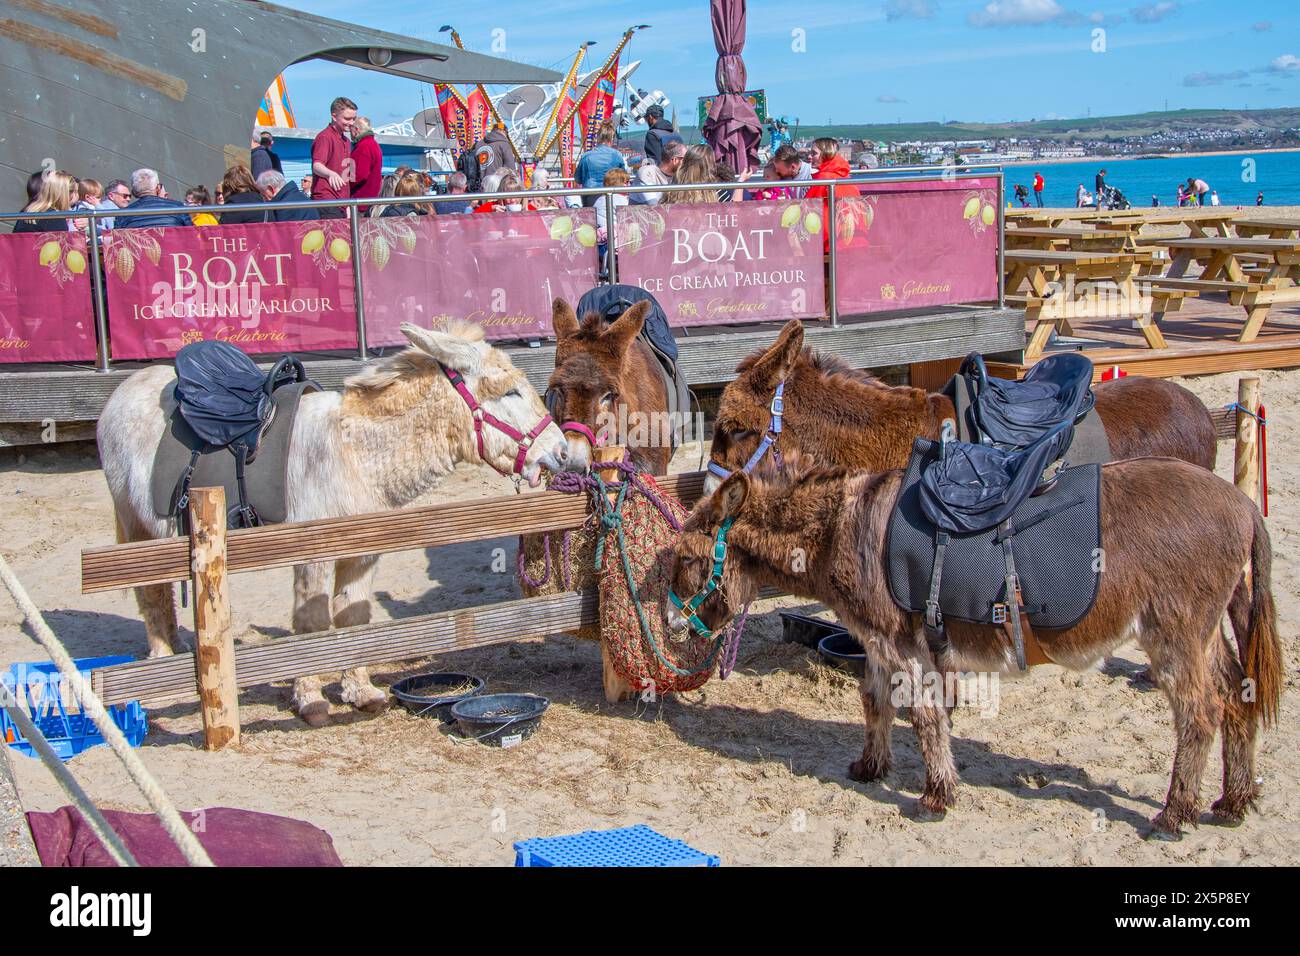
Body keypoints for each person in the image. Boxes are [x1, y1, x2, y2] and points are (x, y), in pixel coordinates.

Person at [805, 137, 860, 252]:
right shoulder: (844, 176)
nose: (809, 157)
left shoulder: (824, 178)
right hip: (853, 238)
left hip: (831, 244)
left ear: (826, 154)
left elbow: (808, 207)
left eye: (814, 153)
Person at [310, 95, 357, 218]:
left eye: (354, 118)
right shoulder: (325, 137)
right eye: (347, 118)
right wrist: (331, 174)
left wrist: (347, 204)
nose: (351, 123)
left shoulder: (346, 141)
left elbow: (347, 173)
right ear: (334, 116)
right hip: (327, 201)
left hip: (341, 202)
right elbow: (316, 165)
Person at [116, 168, 192, 229]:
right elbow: (192, 235)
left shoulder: (123, 214)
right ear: (158, 188)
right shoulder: (177, 207)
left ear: (133, 192)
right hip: (174, 248)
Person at [574, 122, 627, 207]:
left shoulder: (586, 156)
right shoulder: (617, 155)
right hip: (613, 196)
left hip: (590, 198)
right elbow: (624, 177)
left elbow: (578, 179)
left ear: (598, 138)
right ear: (612, 138)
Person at [11, 169, 76, 233]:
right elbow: (62, 242)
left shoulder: (28, 211)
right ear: (65, 194)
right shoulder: (54, 218)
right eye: (74, 191)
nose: (74, 196)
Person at [630, 139, 685, 205]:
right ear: (675, 160)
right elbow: (654, 206)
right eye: (686, 159)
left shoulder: (680, 176)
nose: (688, 163)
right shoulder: (647, 173)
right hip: (642, 214)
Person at [349, 115, 383, 211]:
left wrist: (343, 185)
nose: (350, 133)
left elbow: (359, 175)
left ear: (356, 130)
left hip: (361, 202)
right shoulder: (373, 144)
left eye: (350, 129)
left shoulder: (363, 147)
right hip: (370, 201)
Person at [596, 167, 630, 242]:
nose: (629, 185)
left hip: (601, 240)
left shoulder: (599, 199)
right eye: (627, 182)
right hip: (616, 240)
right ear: (619, 184)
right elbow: (629, 219)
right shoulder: (620, 199)